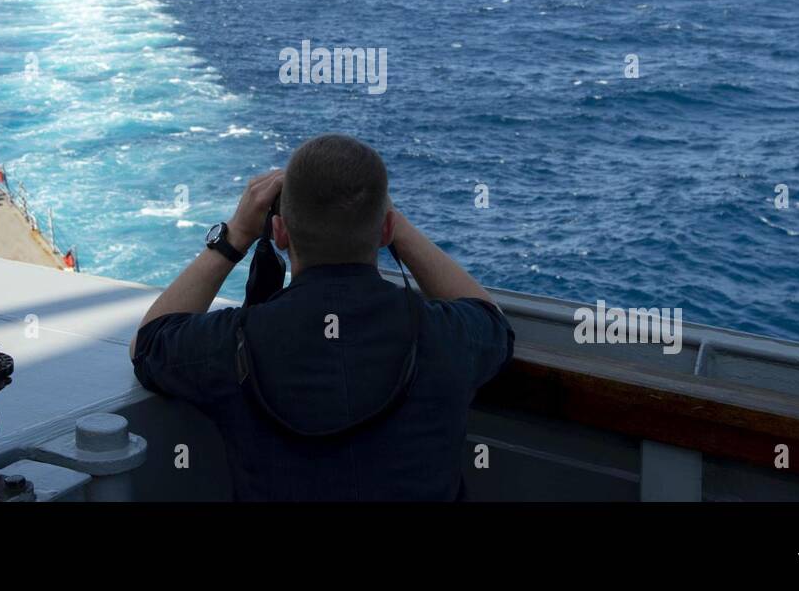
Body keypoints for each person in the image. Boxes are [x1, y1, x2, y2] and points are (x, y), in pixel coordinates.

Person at [129, 134, 515, 500]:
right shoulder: (444, 334)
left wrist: (236, 236)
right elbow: (492, 321)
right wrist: (393, 223)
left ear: (279, 233)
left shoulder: (235, 342)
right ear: (386, 229)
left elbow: (147, 343)